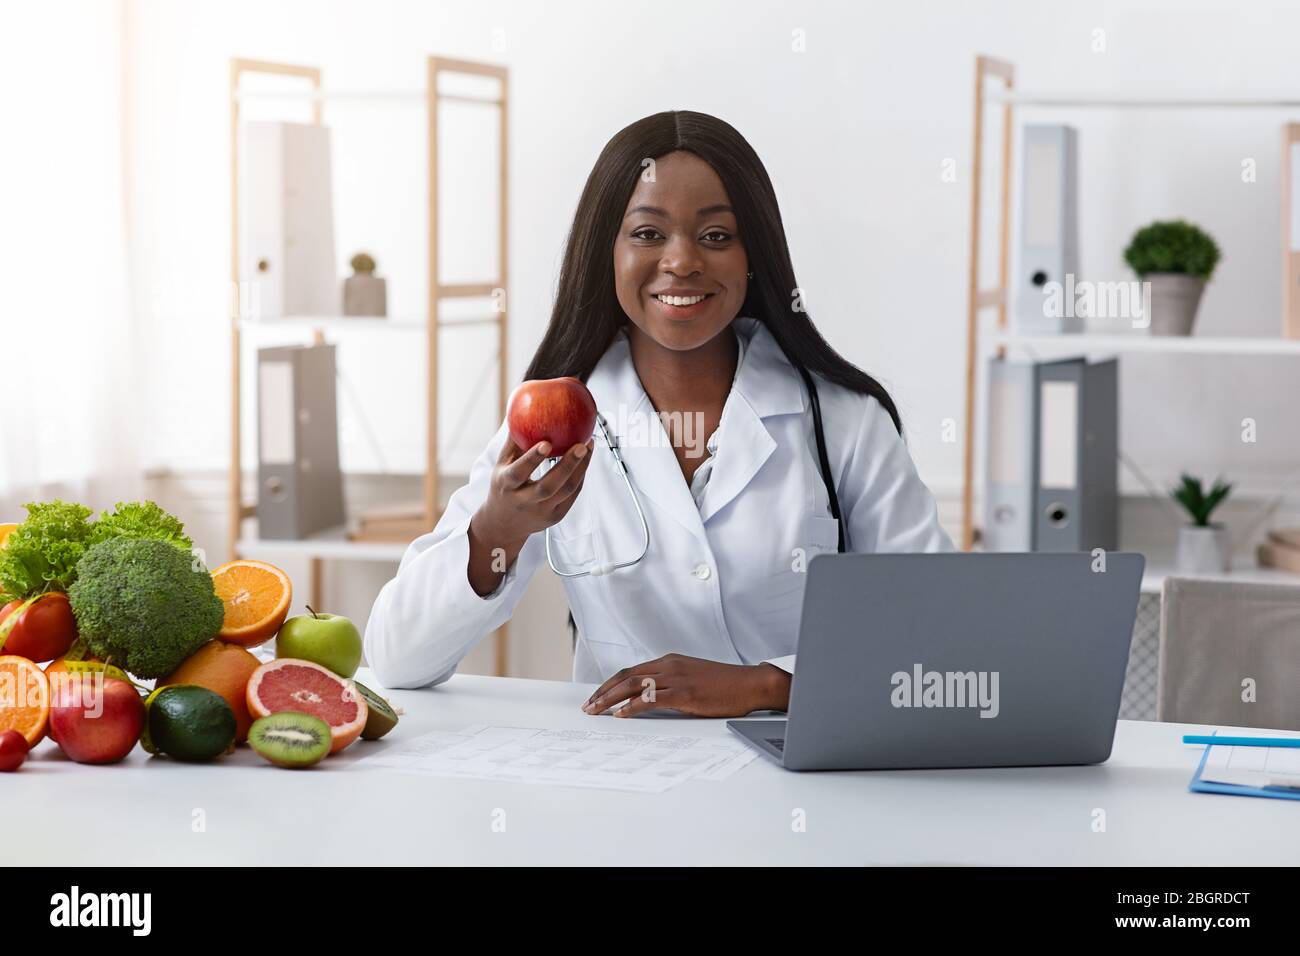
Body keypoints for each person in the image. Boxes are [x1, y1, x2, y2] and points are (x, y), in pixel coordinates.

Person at [364, 110, 952, 718]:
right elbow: (397, 659)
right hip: (626, 782)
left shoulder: (842, 422)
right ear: (606, 253)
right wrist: (495, 534)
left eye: (716, 236)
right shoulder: (550, 426)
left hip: (804, 777)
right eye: (647, 234)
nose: (682, 261)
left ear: (754, 256)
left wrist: (769, 686)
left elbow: (941, 636)